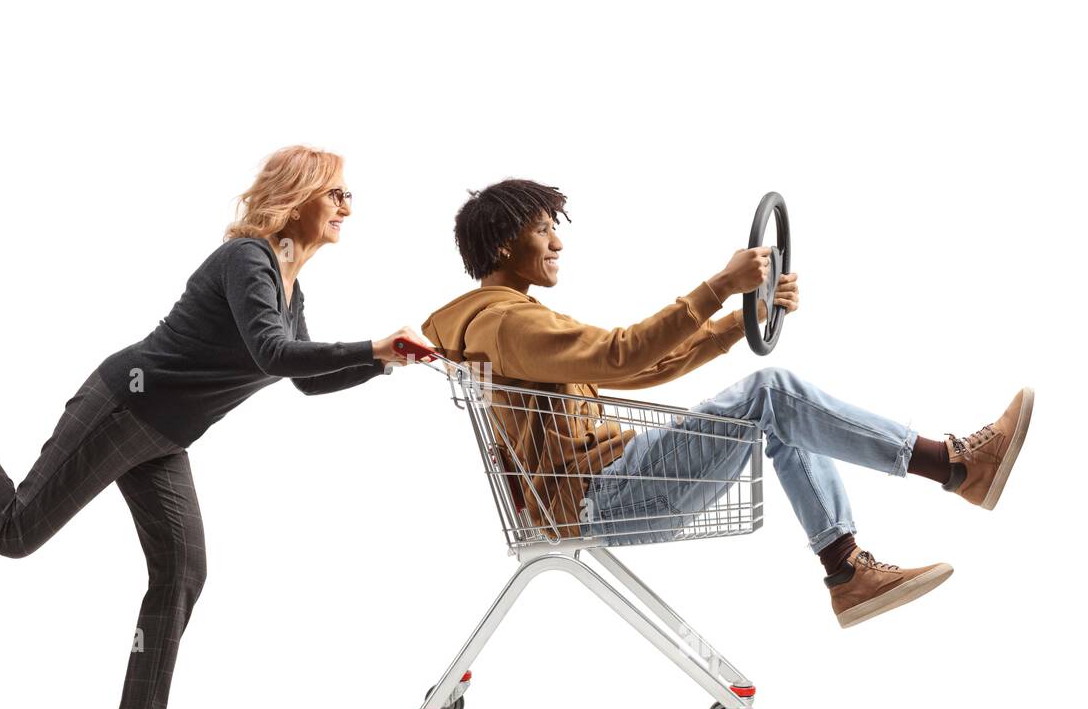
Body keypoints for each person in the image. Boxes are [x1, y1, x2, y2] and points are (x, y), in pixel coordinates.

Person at [0, 145, 424, 709]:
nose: (347, 204)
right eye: (335, 192)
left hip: (165, 434)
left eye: (349, 194)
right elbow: (272, 355)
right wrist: (374, 344)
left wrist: (383, 360)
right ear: (295, 198)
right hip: (125, 407)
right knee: (14, 531)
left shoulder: (289, 288)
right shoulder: (247, 259)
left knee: (183, 571)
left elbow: (307, 378)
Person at [421, 179, 1033, 628]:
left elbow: (647, 366)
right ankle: (952, 465)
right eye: (542, 229)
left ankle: (848, 573)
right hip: (601, 495)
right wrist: (720, 286)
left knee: (781, 410)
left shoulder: (507, 322)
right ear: (503, 244)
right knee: (772, 392)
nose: (557, 242)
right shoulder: (508, 326)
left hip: (605, 486)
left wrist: (745, 318)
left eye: (557, 227)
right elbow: (620, 355)